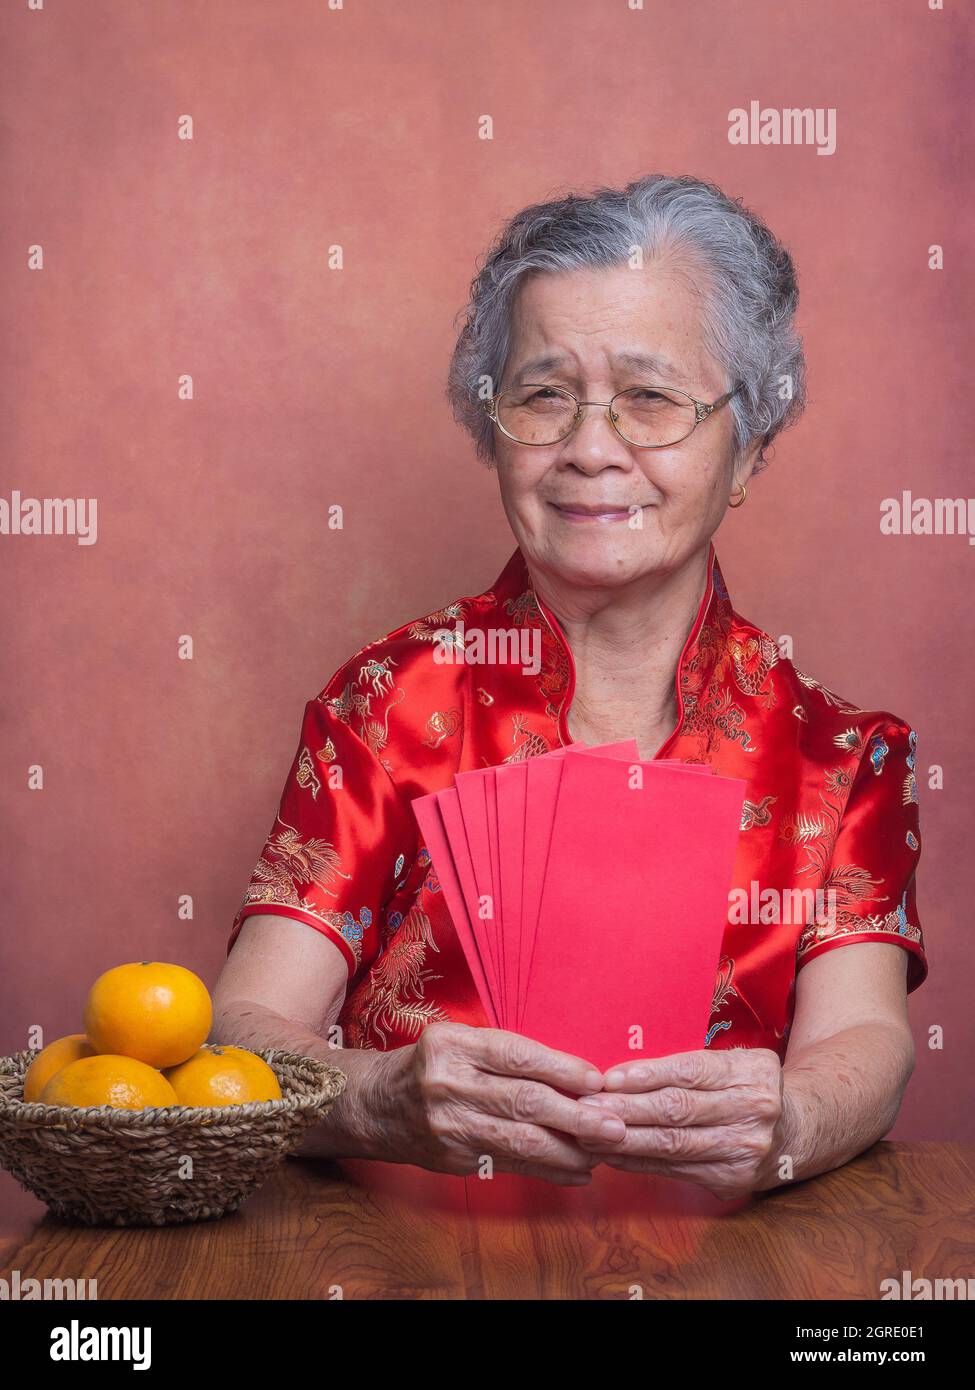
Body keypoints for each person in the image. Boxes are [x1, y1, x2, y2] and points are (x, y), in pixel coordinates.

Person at [212, 173, 926, 1200]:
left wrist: (792, 1118)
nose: (591, 449)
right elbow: (243, 1029)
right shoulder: (386, 705)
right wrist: (377, 1100)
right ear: (490, 426)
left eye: (649, 399)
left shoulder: (840, 758)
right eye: (543, 396)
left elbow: (865, 1037)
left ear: (750, 443)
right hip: (398, 1268)